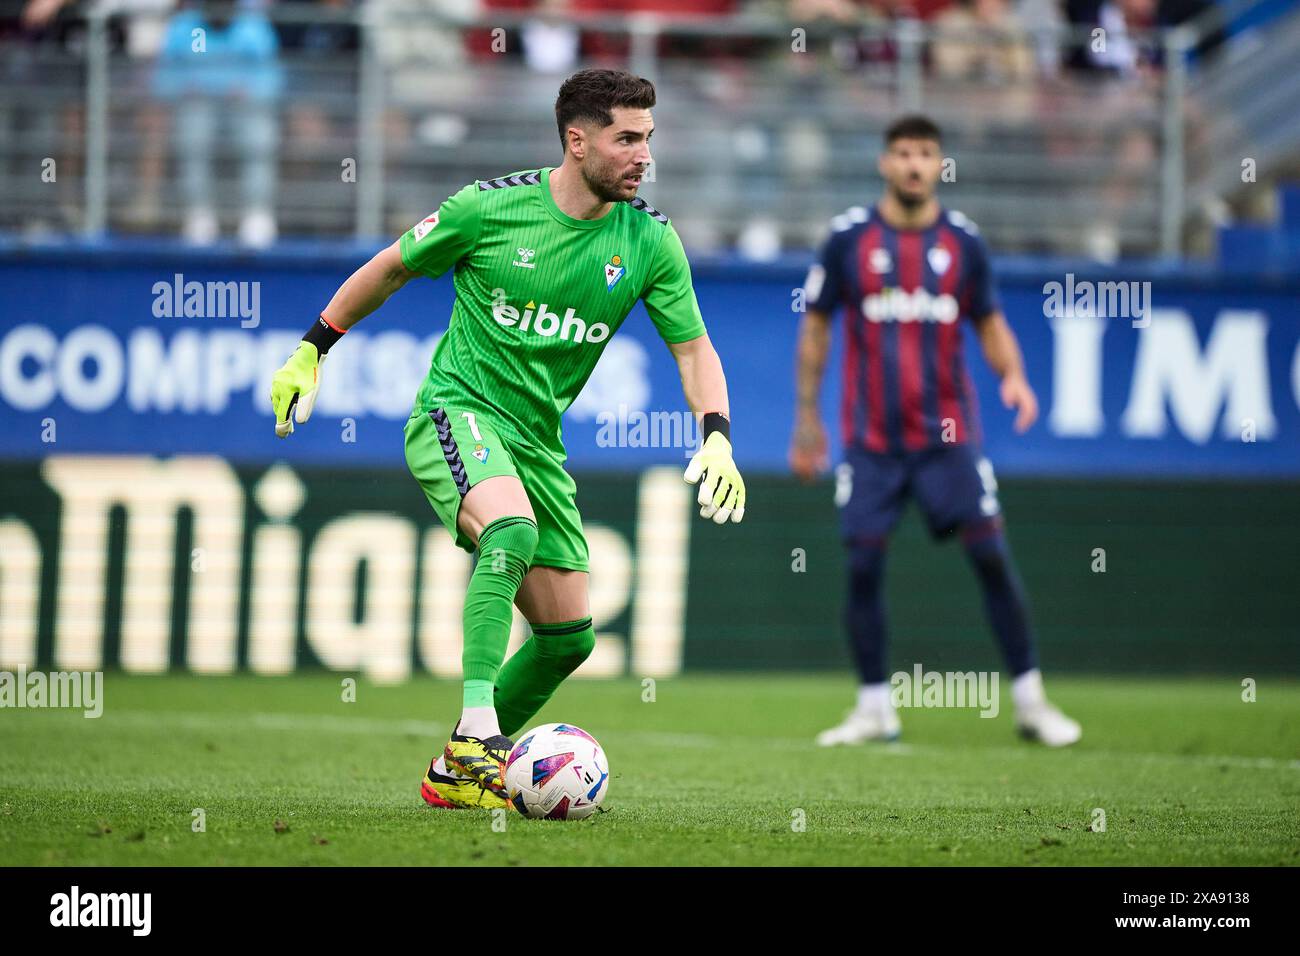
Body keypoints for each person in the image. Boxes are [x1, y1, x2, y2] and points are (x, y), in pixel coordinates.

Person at [269, 68, 747, 809]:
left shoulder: (650, 241)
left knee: (569, 638)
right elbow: (393, 268)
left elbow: (693, 350)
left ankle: (452, 779)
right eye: (627, 138)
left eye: (649, 138)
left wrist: (716, 435)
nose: (643, 155)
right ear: (577, 140)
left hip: (535, 443)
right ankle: (476, 734)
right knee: (511, 530)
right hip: (455, 412)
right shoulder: (487, 210)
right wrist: (312, 348)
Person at [789, 114, 1080, 748]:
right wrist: (808, 418)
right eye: (902, 153)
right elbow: (815, 329)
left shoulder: (965, 244)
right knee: (862, 567)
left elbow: (991, 321)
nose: (915, 165)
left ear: (940, 164)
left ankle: (1031, 702)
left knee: (991, 557)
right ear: (884, 164)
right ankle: (873, 708)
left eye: (925, 154)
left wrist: (1016, 377)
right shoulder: (847, 240)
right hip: (870, 442)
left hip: (948, 440)